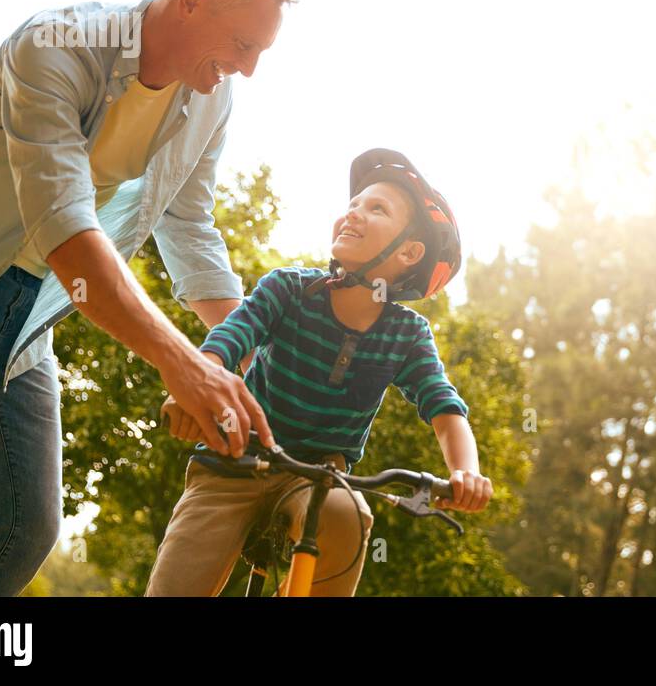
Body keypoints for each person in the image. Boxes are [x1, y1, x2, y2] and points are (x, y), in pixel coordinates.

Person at [0, 0, 289, 595]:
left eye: (259, 53)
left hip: (32, 300)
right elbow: (66, 231)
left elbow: (189, 227)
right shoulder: (55, 47)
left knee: (27, 524)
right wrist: (183, 364)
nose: (247, 68)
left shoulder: (208, 99)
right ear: (191, 0)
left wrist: (262, 364)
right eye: (243, 45)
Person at [146, 149, 493, 596]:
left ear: (410, 252)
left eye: (376, 209)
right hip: (234, 459)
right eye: (353, 204)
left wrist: (466, 472)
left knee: (346, 515)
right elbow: (231, 337)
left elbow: (444, 408)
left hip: (321, 475)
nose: (353, 214)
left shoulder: (407, 335)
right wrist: (197, 385)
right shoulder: (289, 288)